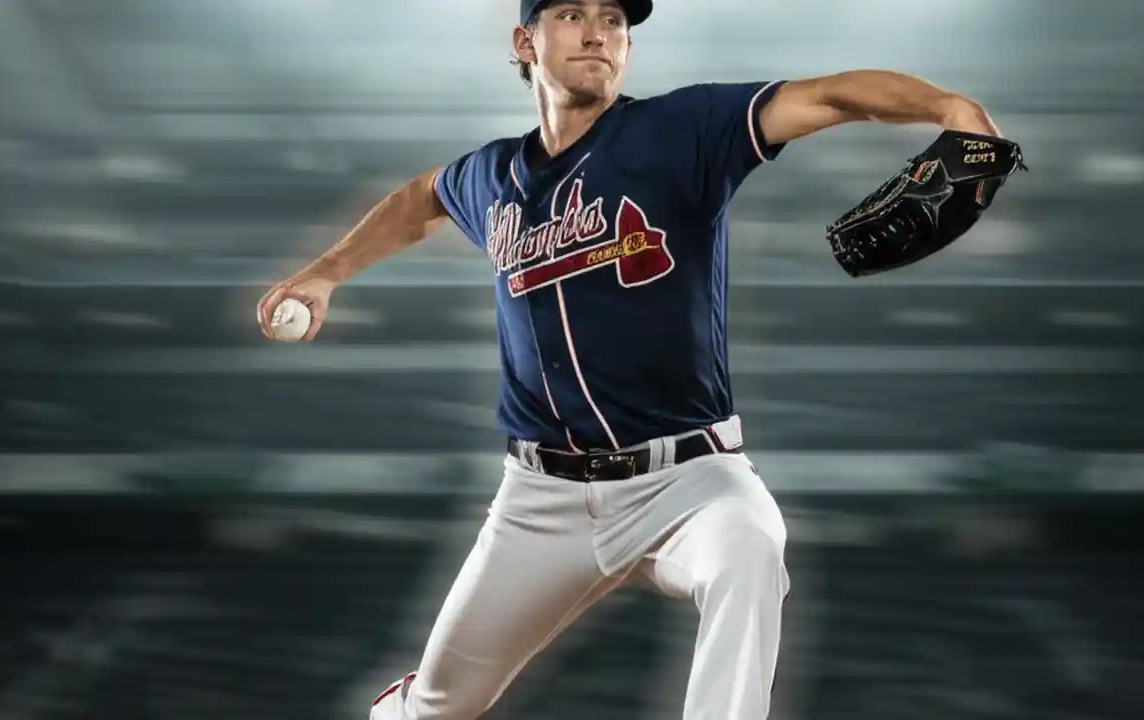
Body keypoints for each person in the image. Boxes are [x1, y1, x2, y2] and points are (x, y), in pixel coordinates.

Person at [256, 1, 1001, 717]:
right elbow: (421, 197)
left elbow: (833, 96)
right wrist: (326, 270)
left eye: (613, 20)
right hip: (538, 502)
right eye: (572, 16)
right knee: (440, 705)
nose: (597, 33)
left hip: (690, 480)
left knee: (749, 548)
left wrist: (948, 106)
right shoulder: (491, 178)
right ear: (525, 45)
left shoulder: (682, 131)